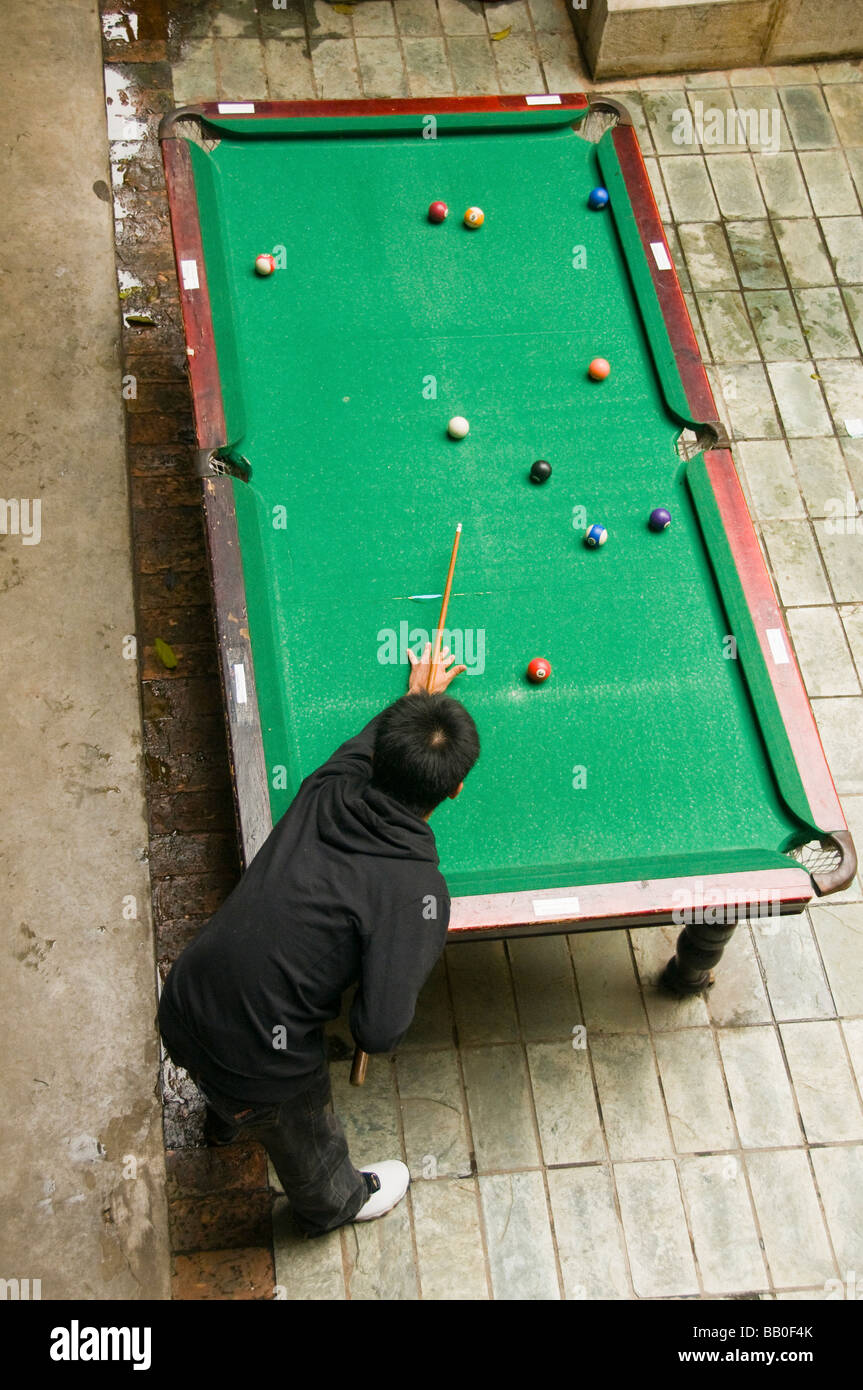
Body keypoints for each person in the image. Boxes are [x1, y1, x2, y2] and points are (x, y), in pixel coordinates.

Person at [158, 643, 480, 1236]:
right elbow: (378, 1032)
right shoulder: (417, 891)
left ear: (377, 755)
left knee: (223, 1082)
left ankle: (223, 1122)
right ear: (454, 790)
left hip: (183, 997)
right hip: (260, 1063)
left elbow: (373, 740)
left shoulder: (329, 783)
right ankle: (334, 1205)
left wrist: (415, 700)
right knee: (305, 1138)